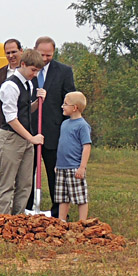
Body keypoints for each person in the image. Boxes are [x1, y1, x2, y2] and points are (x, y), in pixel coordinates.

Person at [28, 36, 76, 217]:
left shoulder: (64, 71)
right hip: (29, 130)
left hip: (54, 132)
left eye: (49, 55)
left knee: (55, 174)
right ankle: (28, 209)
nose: (45, 58)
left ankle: (59, 213)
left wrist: (67, 130)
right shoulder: (26, 70)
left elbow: (69, 100)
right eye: (42, 55)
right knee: (27, 174)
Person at [0, 49, 45, 215]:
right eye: (33, 70)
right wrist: (31, 138)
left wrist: (39, 102)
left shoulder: (29, 84)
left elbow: (24, 111)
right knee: (8, 181)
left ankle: (18, 217)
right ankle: (4, 218)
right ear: (23, 65)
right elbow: (11, 118)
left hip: (25, 138)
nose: (35, 74)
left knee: (25, 182)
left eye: (38, 71)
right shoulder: (10, 86)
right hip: (11, 137)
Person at [55, 92, 91, 221]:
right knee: (62, 197)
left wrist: (82, 167)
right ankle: (61, 221)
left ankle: (82, 222)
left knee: (80, 197)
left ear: (74, 107)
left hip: (74, 168)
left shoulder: (82, 125)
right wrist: (57, 165)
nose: (62, 106)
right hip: (61, 167)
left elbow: (86, 146)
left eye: (65, 104)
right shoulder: (64, 124)